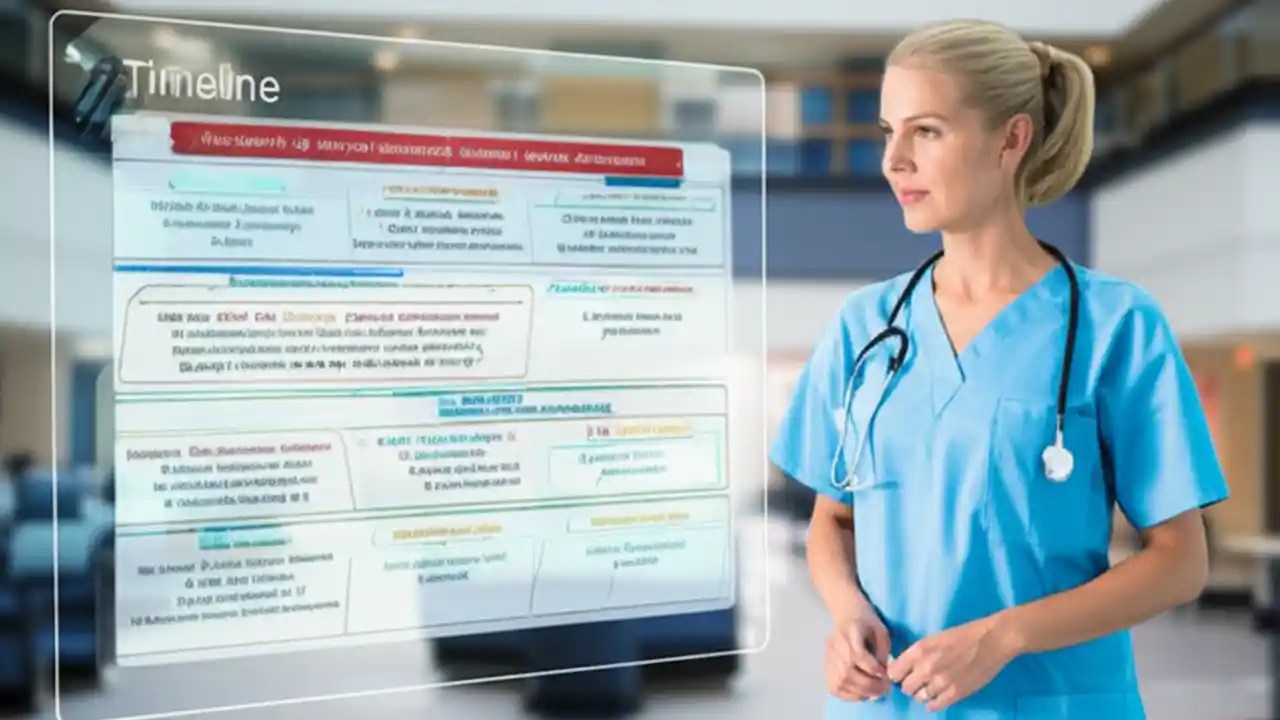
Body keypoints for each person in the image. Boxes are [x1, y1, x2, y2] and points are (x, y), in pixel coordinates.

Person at [769, 19, 1228, 720]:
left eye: (925, 131)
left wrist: (1003, 636)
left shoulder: (1116, 327)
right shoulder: (867, 326)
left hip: (1054, 703)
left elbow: (1180, 562)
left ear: (1011, 140)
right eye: (887, 132)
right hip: (889, 704)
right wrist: (846, 613)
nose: (894, 160)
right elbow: (833, 521)